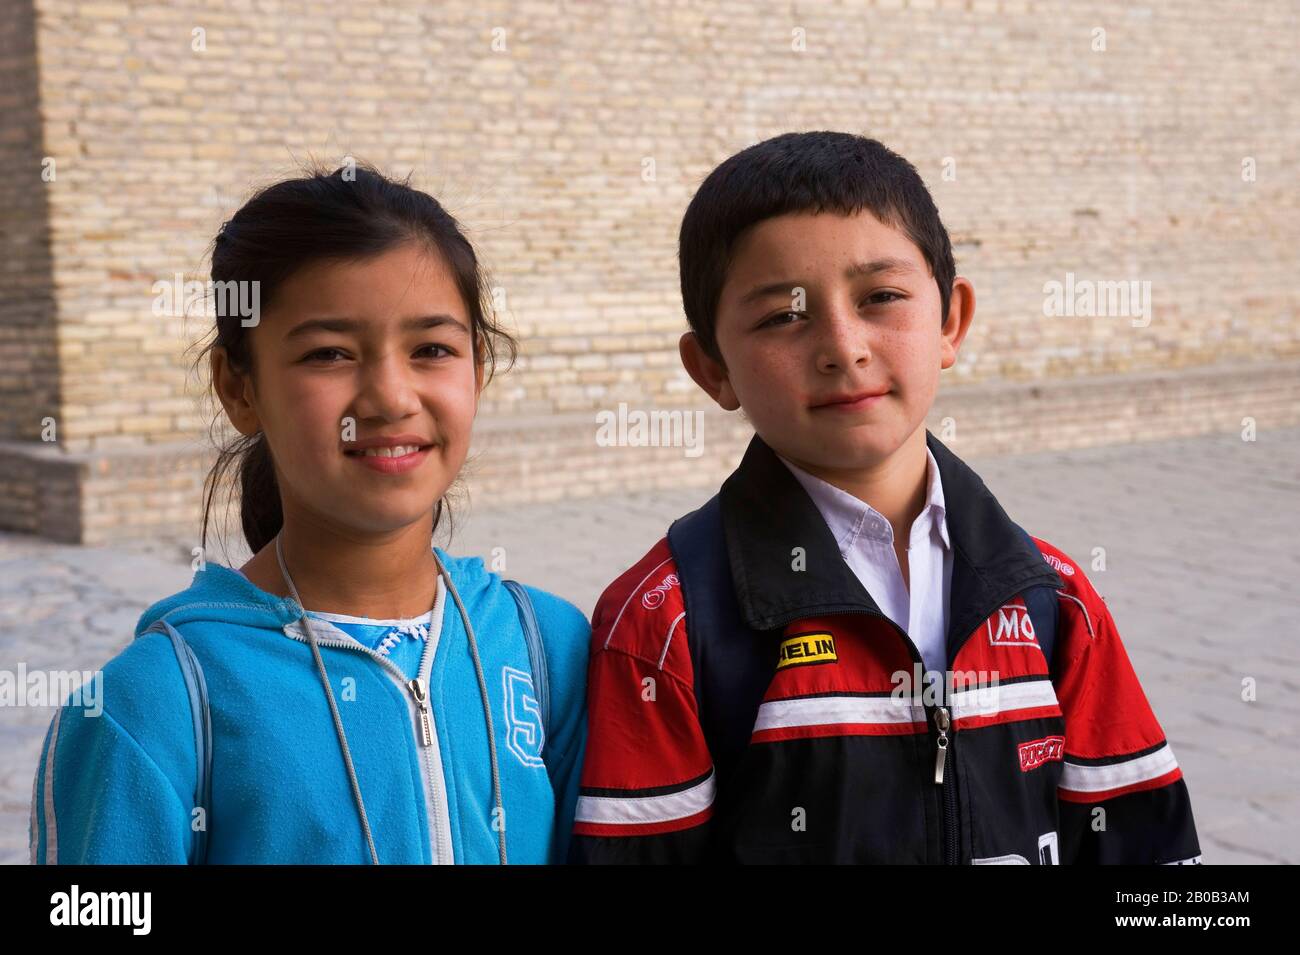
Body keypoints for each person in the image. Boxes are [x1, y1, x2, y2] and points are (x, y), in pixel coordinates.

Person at [570, 131, 1201, 864]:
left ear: (950, 322)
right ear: (712, 368)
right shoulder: (665, 624)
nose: (844, 345)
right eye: (783, 315)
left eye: (881, 297)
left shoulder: (1054, 601)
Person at [31, 162, 588, 864]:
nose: (390, 398)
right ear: (239, 388)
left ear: (476, 368)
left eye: (431, 349)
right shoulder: (154, 705)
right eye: (329, 353)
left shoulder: (547, 651)